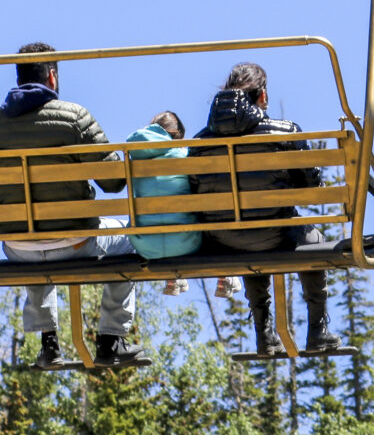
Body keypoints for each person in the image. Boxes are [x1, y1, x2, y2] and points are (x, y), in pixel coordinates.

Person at [0, 42, 145, 368]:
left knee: (28, 232)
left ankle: (49, 343)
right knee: (128, 237)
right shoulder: (74, 117)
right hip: (75, 243)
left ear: (18, 77)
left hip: (18, 247)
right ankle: (111, 339)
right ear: (52, 76)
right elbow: (113, 182)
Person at [191, 61, 340, 356]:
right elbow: (311, 188)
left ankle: (264, 334)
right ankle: (317, 330)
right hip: (274, 232)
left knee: (245, 229)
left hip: (223, 239)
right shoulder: (284, 132)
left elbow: (194, 190)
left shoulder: (198, 142)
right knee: (310, 240)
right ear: (262, 95)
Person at [125, 111, 202, 276]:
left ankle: (174, 279)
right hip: (186, 242)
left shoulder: (133, 159)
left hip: (145, 245)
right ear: (177, 135)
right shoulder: (184, 156)